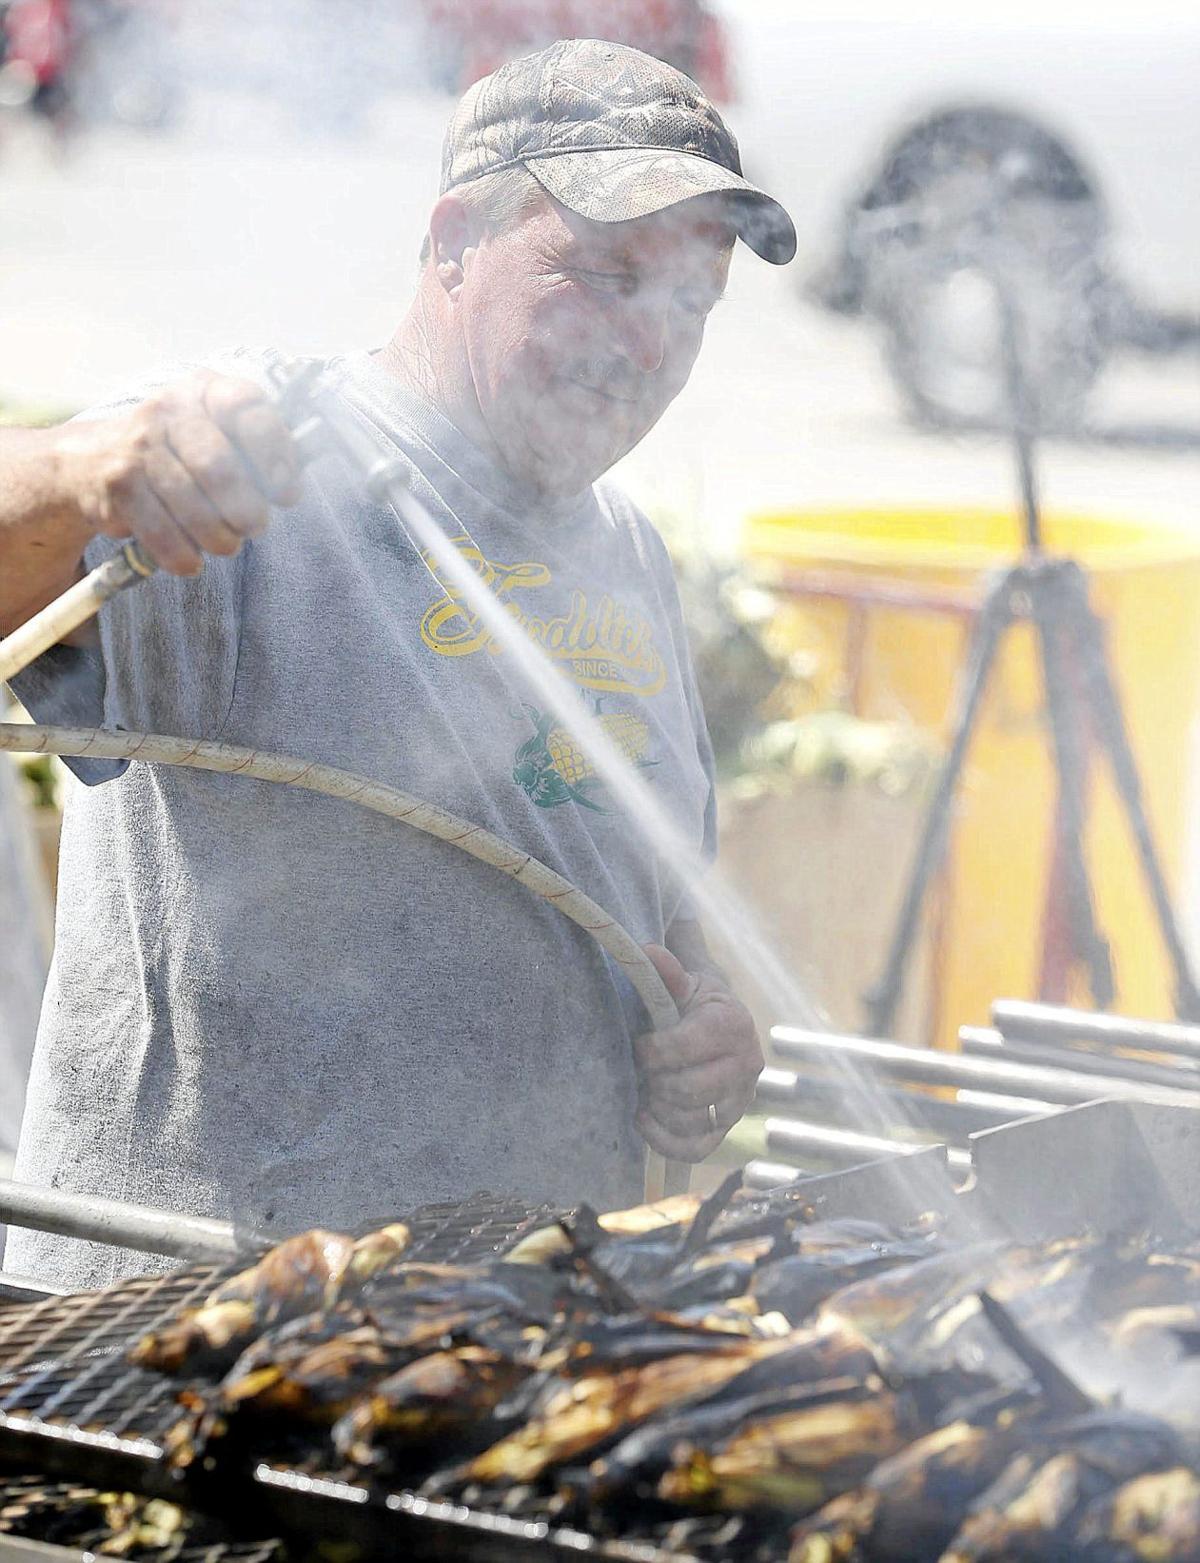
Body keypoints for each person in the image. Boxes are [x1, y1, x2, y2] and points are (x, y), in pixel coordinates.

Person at [0, 39, 796, 1290]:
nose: (647, 343)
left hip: (500, 1334)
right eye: (602, 275)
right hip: (179, 1325)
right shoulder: (253, 464)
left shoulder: (629, 553)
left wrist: (705, 1040)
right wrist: (78, 467)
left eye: (691, 303)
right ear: (452, 242)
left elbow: (655, 909)